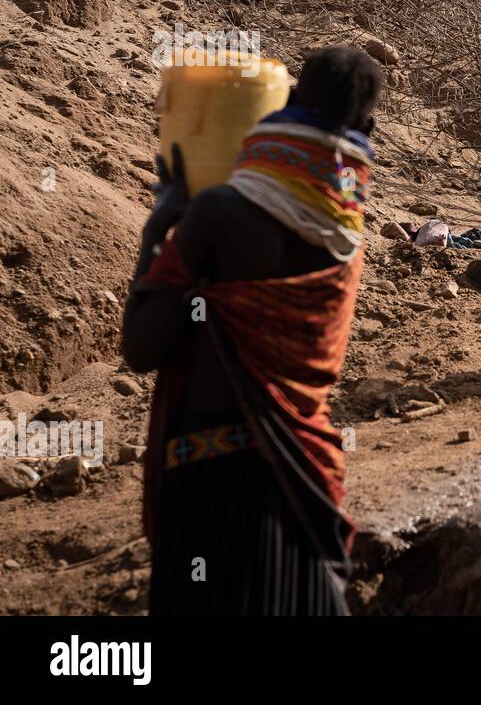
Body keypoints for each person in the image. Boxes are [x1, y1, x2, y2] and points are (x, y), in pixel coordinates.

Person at [122, 45, 383, 615]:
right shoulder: (349, 239)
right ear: (367, 129)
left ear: (288, 104)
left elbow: (140, 347)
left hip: (209, 481)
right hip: (299, 481)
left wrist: (159, 227)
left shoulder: (218, 212)